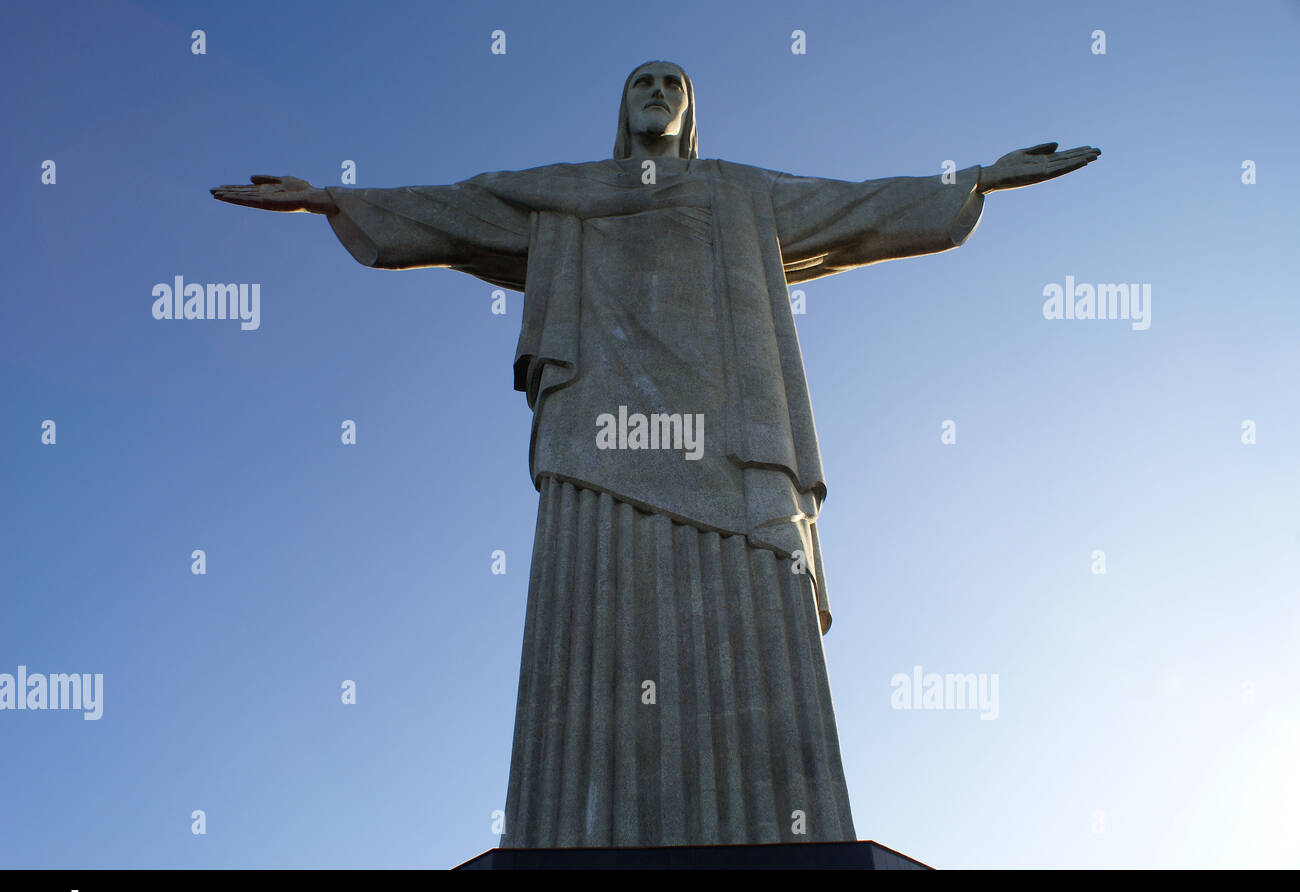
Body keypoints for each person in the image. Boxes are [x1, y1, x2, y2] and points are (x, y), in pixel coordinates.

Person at [213, 60, 1099, 848]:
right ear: (621, 107)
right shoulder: (565, 192)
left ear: (691, 111)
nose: (657, 94)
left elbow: (859, 207)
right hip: (597, 434)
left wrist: (978, 180)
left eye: (674, 84)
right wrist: (333, 198)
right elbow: (458, 208)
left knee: (756, 593)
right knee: (595, 599)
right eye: (643, 82)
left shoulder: (741, 193)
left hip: (735, 437)